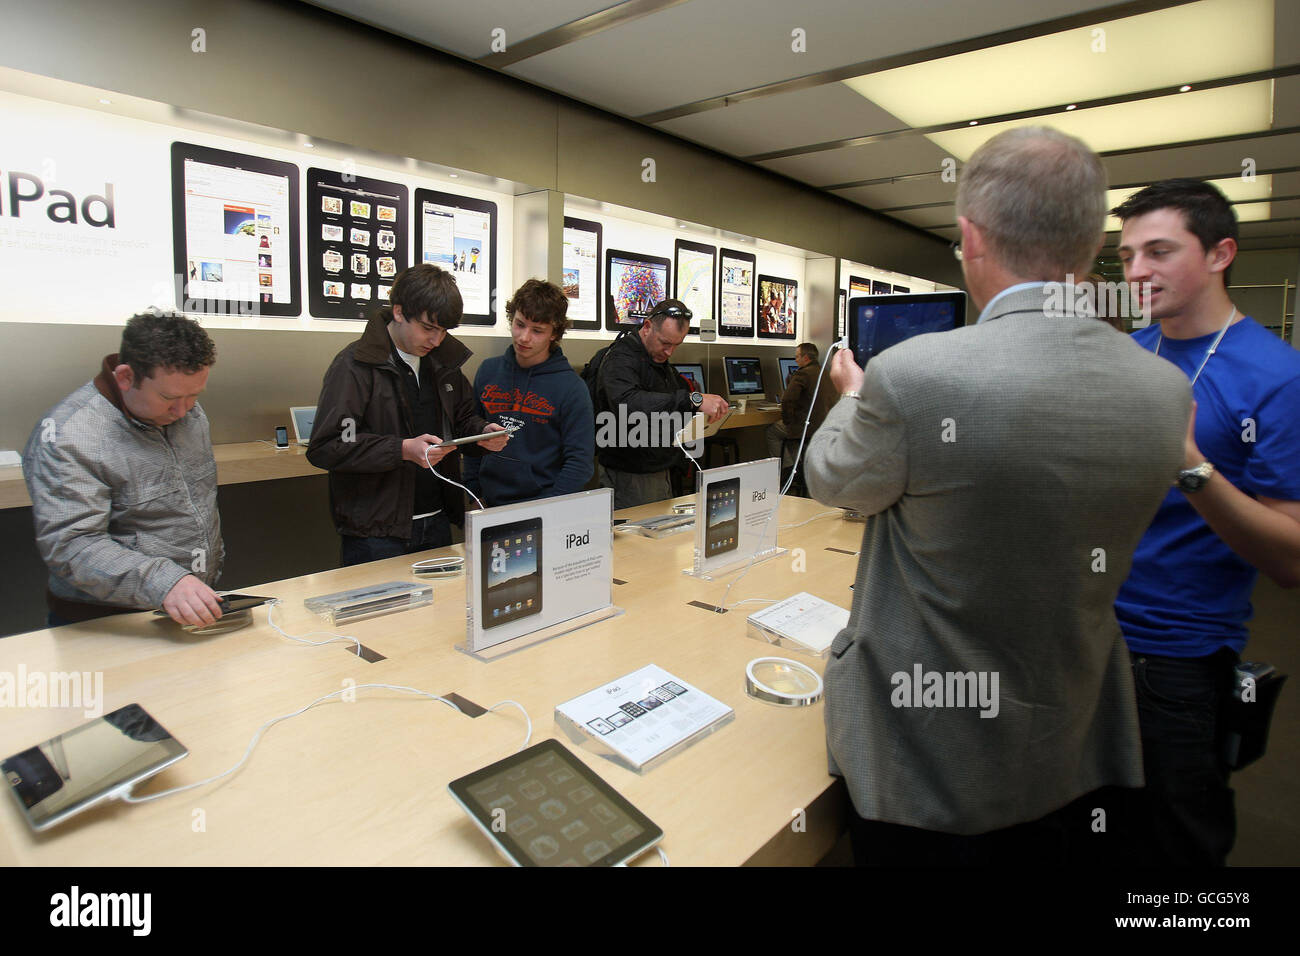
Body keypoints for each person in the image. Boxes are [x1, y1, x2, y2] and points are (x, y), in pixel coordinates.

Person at [803, 126, 1192, 865]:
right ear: (1089, 241)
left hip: (924, 765)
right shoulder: (1166, 393)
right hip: (1069, 746)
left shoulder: (917, 377)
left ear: (971, 237)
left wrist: (852, 398)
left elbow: (832, 478)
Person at [1112, 179, 1300, 866]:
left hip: (1176, 657)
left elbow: (1290, 559)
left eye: (1158, 251)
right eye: (1129, 254)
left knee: (1173, 850)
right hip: (1082, 638)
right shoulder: (1128, 357)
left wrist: (1192, 466)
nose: (1136, 272)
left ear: (1221, 252)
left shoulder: (1278, 377)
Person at [23, 310, 225, 628]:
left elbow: (195, 507)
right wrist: (166, 582)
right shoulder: (69, 434)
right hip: (105, 621)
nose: (183, 410)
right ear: (125, 377)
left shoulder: (188, 413)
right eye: (169, 397)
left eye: (194, 395)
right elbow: (72, 545)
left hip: (186, 605)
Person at [307, 264, 509, 566]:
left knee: (441, 613)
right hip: (376, 533)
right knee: (382, 614)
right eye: (428, 328)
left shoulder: (443, 363)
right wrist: (401, 450)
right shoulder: (355, 366)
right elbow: (329, 445)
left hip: (438, 520)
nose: (436, 340)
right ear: (399, 312)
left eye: (444, 330)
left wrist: (483, 433)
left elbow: (462, 419)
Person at [464, 279, 594, 507]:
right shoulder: (488, 371)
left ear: (554, 333)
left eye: (537, 331)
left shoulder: (572, 388)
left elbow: (580, 463)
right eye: (519, 324)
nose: (524, 337)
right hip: (488, 504)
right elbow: (472, 438)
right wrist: (474, 493)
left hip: (544, 506)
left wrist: (549, 509)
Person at [594, 300, 728, 510]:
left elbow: (667, 401)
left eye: (676, 345)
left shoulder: (655, 360)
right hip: (631, 473)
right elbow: (629, 403)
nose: (669, 352)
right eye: (665, 343)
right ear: (647, 327)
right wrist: (695, 400)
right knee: (638, 541)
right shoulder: (621, 359)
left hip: (657, 466)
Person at [765, 342, 836, 462]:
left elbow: (787, 400)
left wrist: (788, 422)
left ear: (806, 358)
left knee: (772, 432)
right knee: (793, 439)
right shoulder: (825, 372)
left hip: (806, 427)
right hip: (823, 426)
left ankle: (787, 469)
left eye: (797, 356)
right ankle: (798, 470)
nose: (795, 360)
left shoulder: (802, 373)